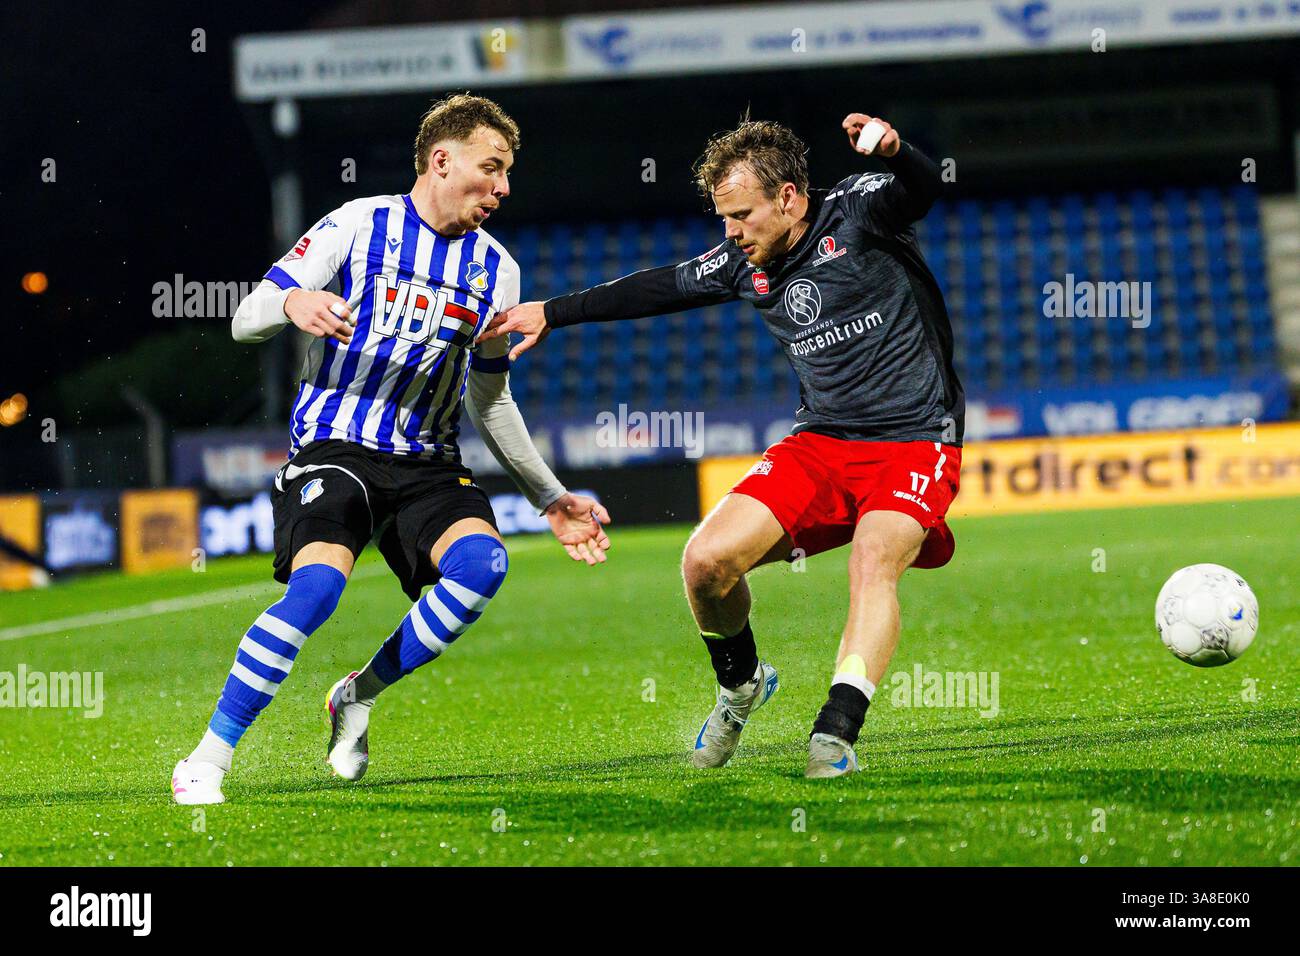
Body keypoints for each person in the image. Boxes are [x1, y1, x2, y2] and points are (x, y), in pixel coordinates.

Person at [479, 113, 961, 778]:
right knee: (705, 564)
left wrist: (895, 147)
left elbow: (927, 186)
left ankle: (835, 733)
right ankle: (741, 686)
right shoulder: (742, 261)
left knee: (873, 564)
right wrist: (553, 312)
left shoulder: (861, 211)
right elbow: (656, 288)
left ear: (788, 198)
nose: (729, 232)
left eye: (740, 214)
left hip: (913, 440)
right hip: (820, 444)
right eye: (722, 217)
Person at [172, 94, 611, 805]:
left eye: (508, 174)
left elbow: (490, 397)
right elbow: (244, 317)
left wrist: (551, 497)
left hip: (429, 462)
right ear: (442, 160)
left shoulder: (496, 271)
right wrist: (289, 303)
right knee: (317, 590)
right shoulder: (357, 224)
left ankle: (358, 692)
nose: (503, 188)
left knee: (482, 566)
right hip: (335, 445)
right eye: (491, 169)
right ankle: (207, 758)